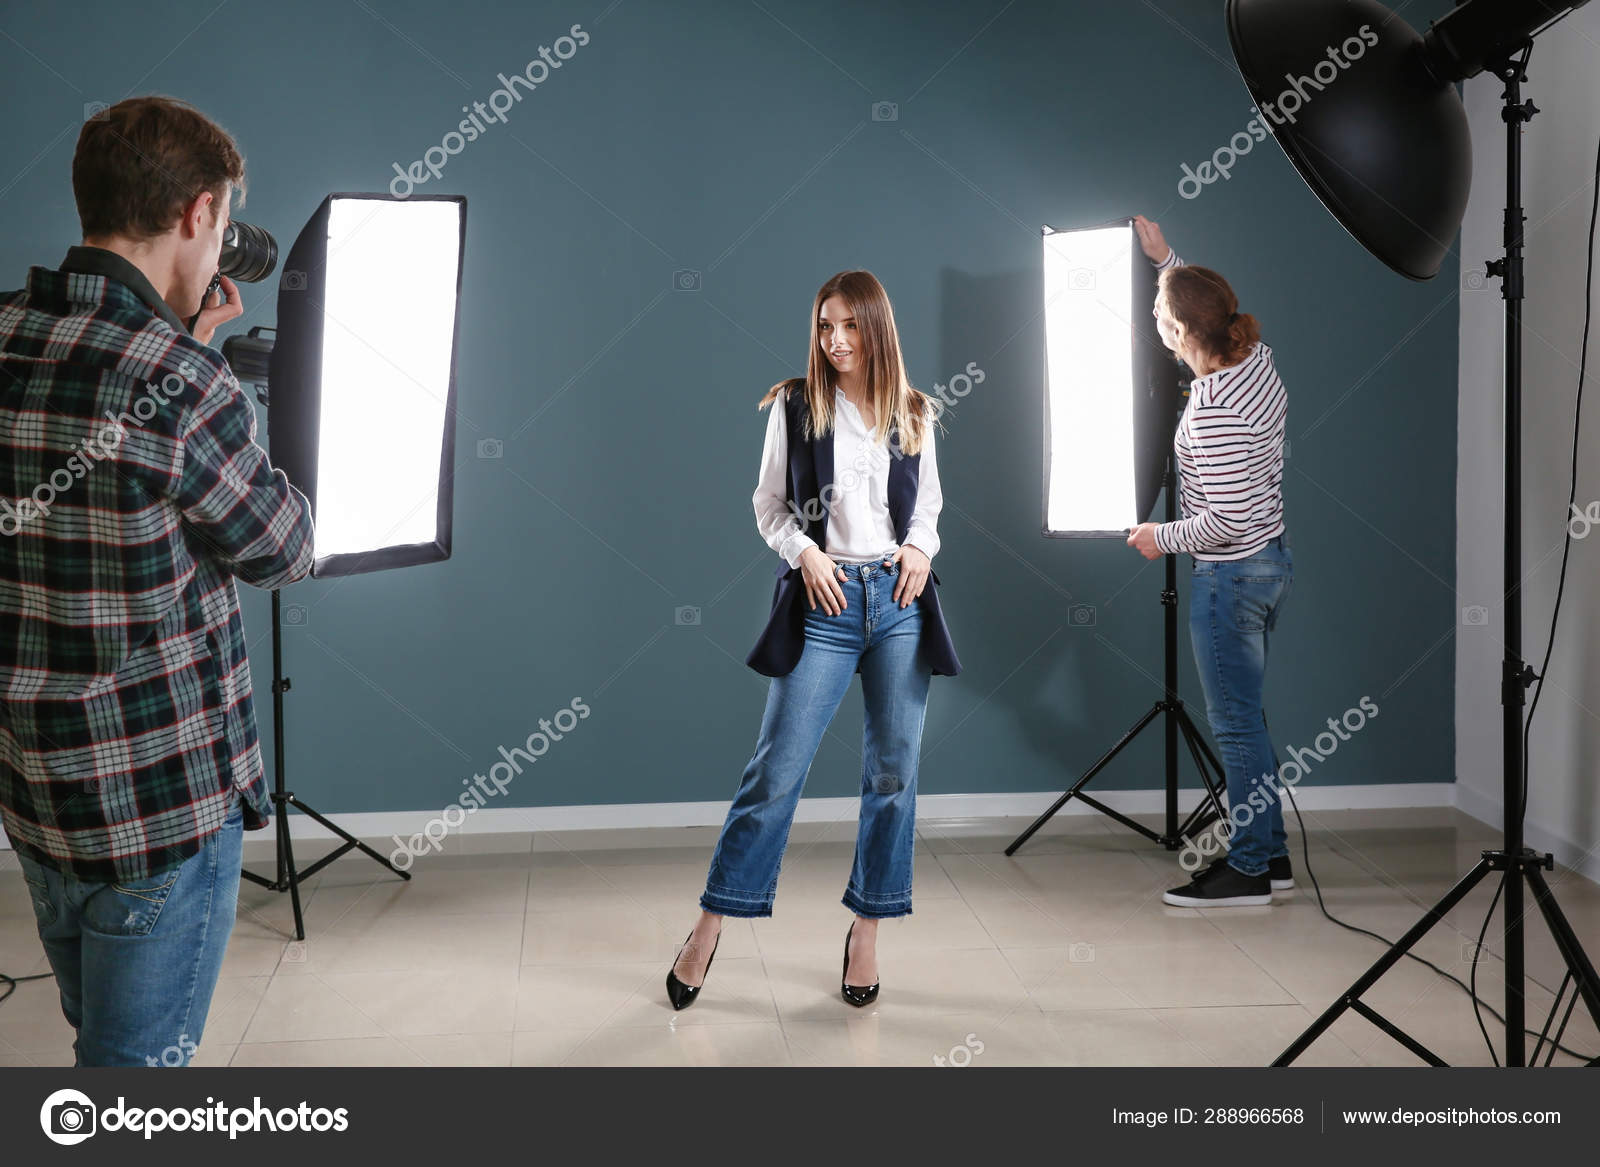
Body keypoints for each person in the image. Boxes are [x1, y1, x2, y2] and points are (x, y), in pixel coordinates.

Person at [0, 95, 314, 1065]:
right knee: (138, 1073)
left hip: (37, 791)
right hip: (159, 805)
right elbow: (281, 548)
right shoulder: (178, 383)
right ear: (198, 213)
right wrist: (200, 373)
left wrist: (193, 354)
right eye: (223, 222)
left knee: (99, 1039)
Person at [666, 270, 961, 1010]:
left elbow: (926, 509)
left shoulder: (915, 412)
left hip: (898, 602)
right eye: (825, 326)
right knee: (775, 772)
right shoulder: (796, 405)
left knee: (892, 776)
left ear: (877, 329)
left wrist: (922, 549)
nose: (834, 340)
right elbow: (769, 504)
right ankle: (710, 925)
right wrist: (805, 551)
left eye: (849, 326)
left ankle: (867, 931)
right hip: (824, 604)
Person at [1127, 215, 1295, 908]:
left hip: (1229, 578)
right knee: (1247, 718)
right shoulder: (1255, 358)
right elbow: (1205, 306)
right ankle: (1274, 857)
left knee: (1234, 723)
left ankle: (1251, 865)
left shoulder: (1211, 413)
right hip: (1270, 564)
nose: (1160, 324)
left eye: (1163, 317)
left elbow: (1221, 520)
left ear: (1177, 336)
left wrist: (1157, 536)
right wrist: (1168, 259)